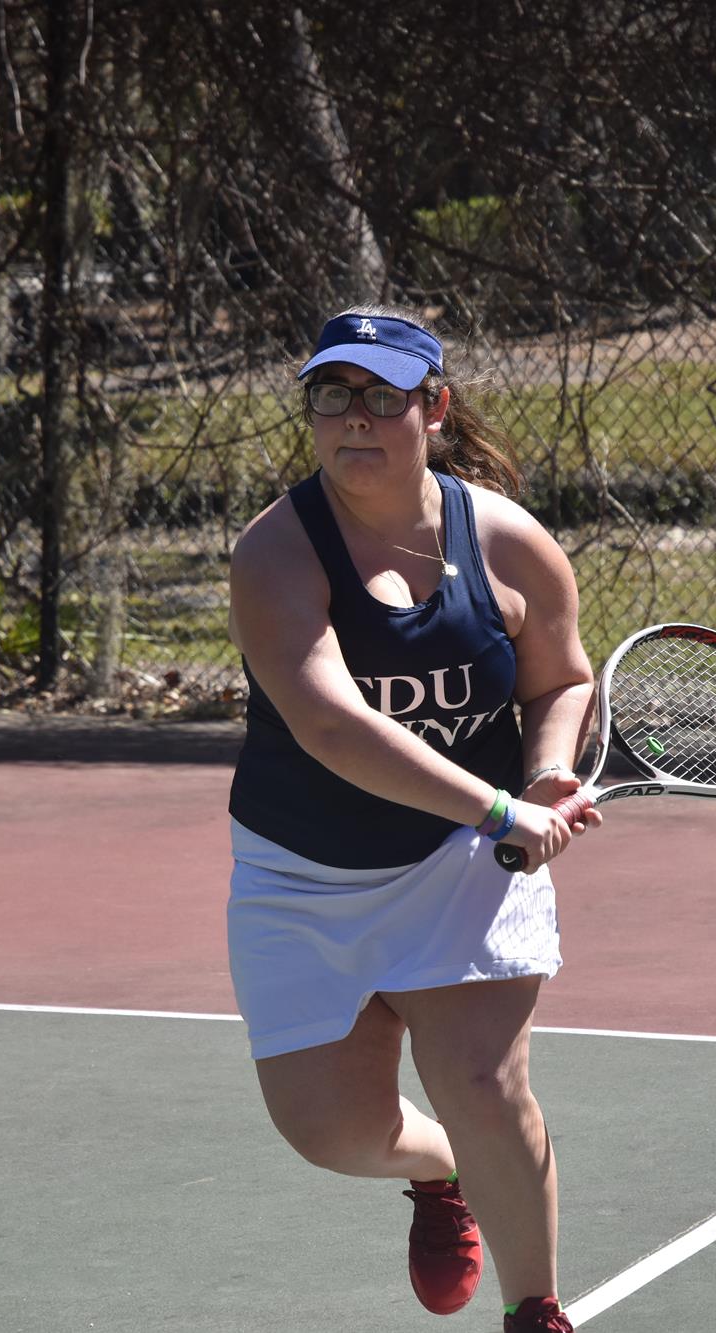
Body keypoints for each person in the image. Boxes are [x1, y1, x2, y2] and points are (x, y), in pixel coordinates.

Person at [226, 305, 599, 1332]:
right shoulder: (275, 553)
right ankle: (444, 1174)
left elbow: (561, 679)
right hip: (303, 871)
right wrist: (497, 802)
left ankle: (537, 1311)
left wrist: (550, 772)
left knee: (482, 1082)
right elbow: (329, 724)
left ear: (431, 408)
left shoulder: (509, 544)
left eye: (381, 395)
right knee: (330, 1132)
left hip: (461, 866)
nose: (354, 417)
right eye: (330, 394)